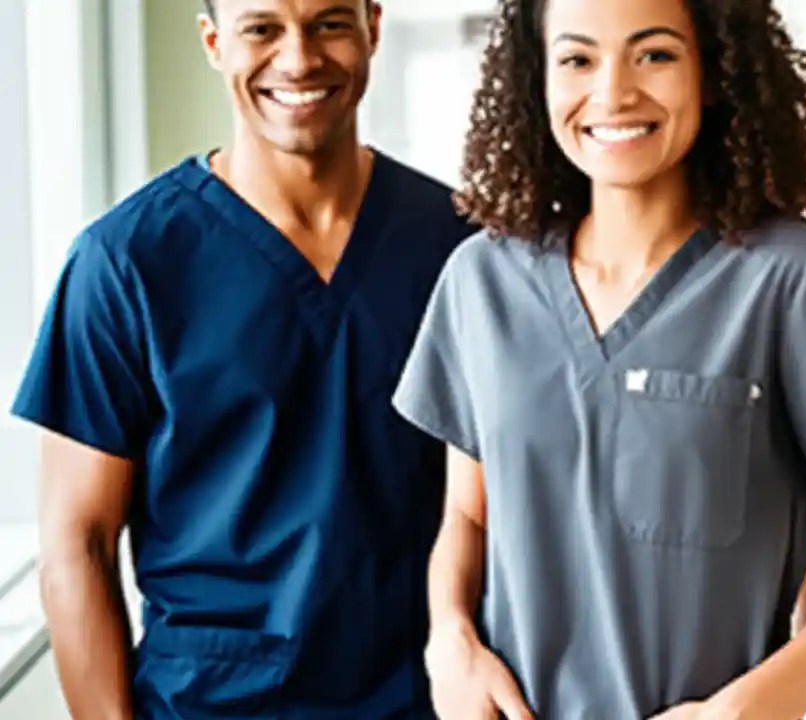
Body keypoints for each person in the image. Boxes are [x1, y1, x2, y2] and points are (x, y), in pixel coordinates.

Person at [390, 0, 806, 718]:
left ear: (712, 73)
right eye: (578, 59)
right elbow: (468, 514)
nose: (614, 92)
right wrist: (450, 642)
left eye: (654, 55)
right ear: (537, 80)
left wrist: (740, 712)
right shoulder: (481, 280)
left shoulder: (797, 280)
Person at [11, 0, 474, 716]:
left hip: (420, 698)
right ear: (213, 41)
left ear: (372, 28)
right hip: (209, 703)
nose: (298, 59)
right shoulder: (126, 262)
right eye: (262, 28)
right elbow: (79, 544)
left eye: (328, 23)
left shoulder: (460, 251)